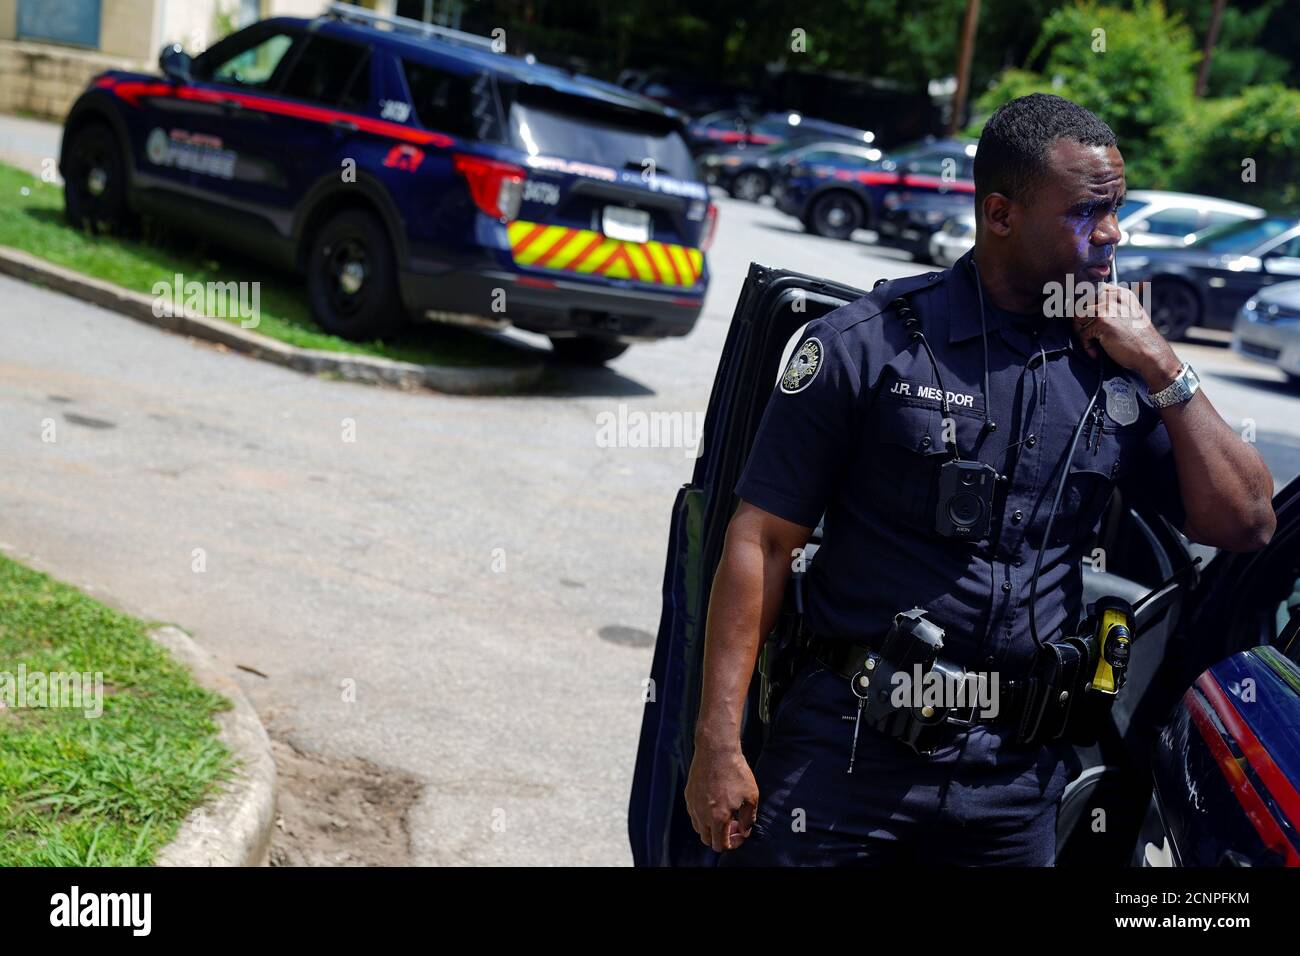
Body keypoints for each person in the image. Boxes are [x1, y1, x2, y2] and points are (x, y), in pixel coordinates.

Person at [684, 93, 1276, 866]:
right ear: (999, 214)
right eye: (1086, 213)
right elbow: (760, 542)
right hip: (846, 762)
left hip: (1014, 789)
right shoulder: (870, 346)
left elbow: (1249, 523)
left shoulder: (1119, 369)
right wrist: (717, 741)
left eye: (1116, 209)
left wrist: (1165, 365)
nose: (1113, 233)